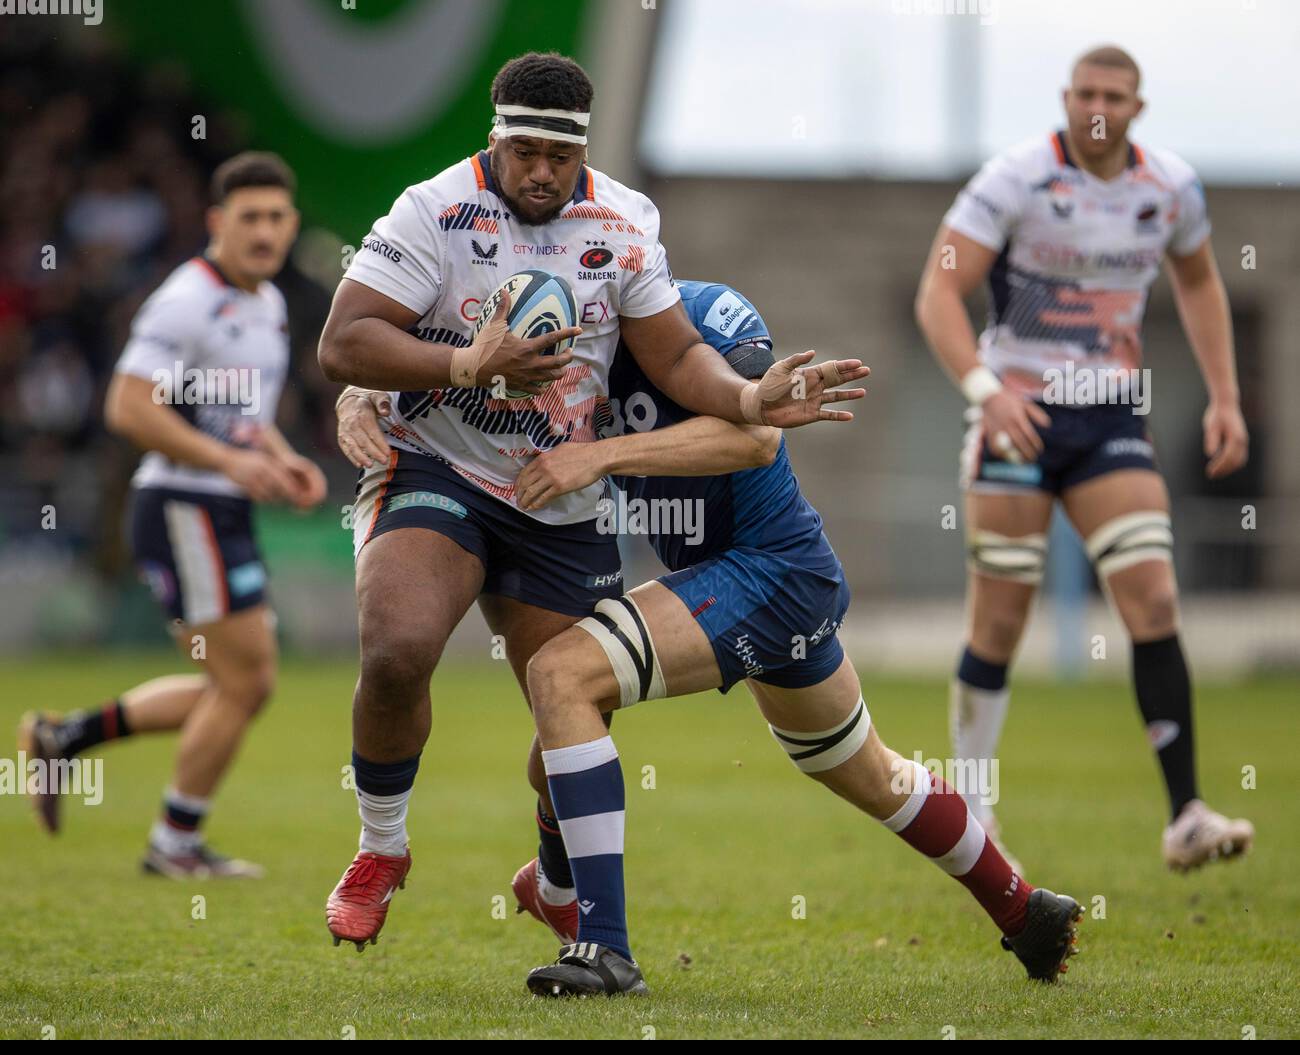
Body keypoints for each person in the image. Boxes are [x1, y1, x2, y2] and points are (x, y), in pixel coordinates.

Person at [342, 280, 1085, 996]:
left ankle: (603, 946)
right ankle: (1025, 911)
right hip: (738, 584)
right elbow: (455, 367)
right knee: (869, 771)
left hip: (770, 571)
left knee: (562, 676)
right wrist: (364, 392)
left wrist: (597, 455)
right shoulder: (570, 326)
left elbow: (757, 437)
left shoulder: (705, 314)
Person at [317, 52, 865, 950]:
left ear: (583, 153)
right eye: (523, 151)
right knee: (399, 648)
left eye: (558, 157)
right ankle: (381, 848)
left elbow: (677, 356)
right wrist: (463, 364)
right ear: (493, 140)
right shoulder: (433, 210)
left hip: (560, 495)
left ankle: (557, 873)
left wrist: (748, 397)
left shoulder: (624, 220)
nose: (540, 172)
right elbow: (346, 343)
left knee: (571, 711)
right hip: (442, 466)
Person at [913, 45, 1253, 871]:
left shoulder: (1171, 187)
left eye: (1115, 95)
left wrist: (1225, 396)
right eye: (1085, 92)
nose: (1098, 106)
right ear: (1066, 98)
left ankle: (1186, 815)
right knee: (999, 620)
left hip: (1108, 417)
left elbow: (1202, 283)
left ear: (1139, 107)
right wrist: (987, 391)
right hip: (1017, 417)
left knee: (1154, 598)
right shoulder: (1014, 179)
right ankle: (976, 813)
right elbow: (939, 292)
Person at [19, 151, 327, 877]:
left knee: (234, 683)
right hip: (182, 505)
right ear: (217, 222)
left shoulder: (270, 304)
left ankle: (67, 738)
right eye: (249, 217)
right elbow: (127, 405)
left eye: (277, 217)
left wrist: (281, 460)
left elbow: (242, 422)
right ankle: (173, 844)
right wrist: (230, 465)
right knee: (246, 682)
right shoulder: (186, 298)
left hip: (218, 507)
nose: (265, 231)